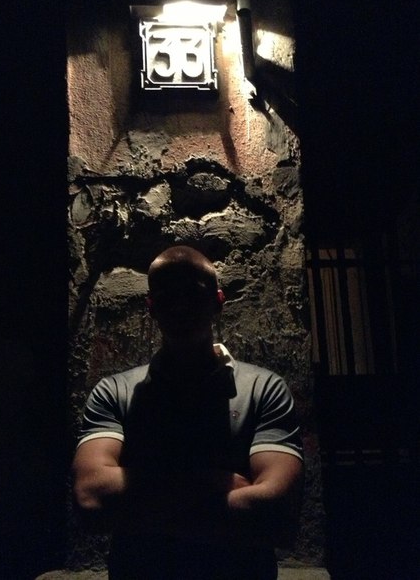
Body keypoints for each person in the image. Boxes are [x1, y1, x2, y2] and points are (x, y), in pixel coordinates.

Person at [72, 246, 303, 579]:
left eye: (192, 294)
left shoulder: (264, 390)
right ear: (152, 307)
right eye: (167, 296)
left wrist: (143, 509)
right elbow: (91, 499)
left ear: (218, 301)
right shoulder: (114, 392)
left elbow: (276, 514)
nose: (180, 306)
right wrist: (213, 482)